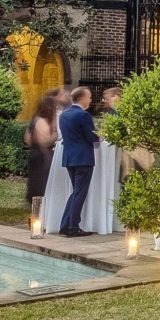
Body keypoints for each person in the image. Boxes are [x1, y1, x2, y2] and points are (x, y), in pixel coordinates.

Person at [56, 87, 99, 236]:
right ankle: (73, 227)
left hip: (69, 157)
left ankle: (65, 225)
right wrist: (100, 136)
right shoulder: (83, 115)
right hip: (83, 158)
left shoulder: (63, 115)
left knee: (76, 192)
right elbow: (90, 136)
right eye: (89, 97)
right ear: (81, 98)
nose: (90, 100)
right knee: (79, 193)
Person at [24, 92, 60, 204]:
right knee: (40, 180)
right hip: (41, 156)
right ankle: (38, 201)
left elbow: (27, 138)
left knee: (38, 179)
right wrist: (56, 135)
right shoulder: (41, 122)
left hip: (36, 154)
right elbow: (44, 141)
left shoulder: (36, 119)